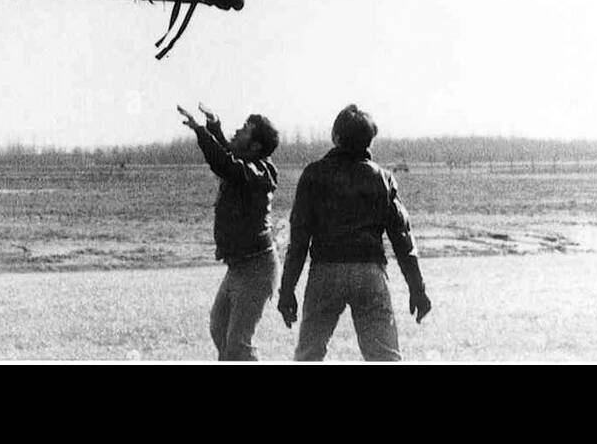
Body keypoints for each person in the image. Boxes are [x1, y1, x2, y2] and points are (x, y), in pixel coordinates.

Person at [277, 104, 431, 362]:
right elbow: (402, 238)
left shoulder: (313, 174)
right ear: (369, 140)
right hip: (369, 272)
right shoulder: (383, 178)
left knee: (309, 355)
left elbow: (299, 239)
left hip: (325, 271)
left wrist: (286, 289)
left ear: (336, 137)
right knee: (385, 357)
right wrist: (417, 288)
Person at [178, 102, 280, 361]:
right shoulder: (246, 165)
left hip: (257, 269)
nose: (238, 130)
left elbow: (226, 164)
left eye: (245, 129)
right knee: (219, 330)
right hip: (238, 267)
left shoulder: (260, 171)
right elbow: (229, 156)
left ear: (256, 145)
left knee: (237, 344)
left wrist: (202, 132)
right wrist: (213, 126)